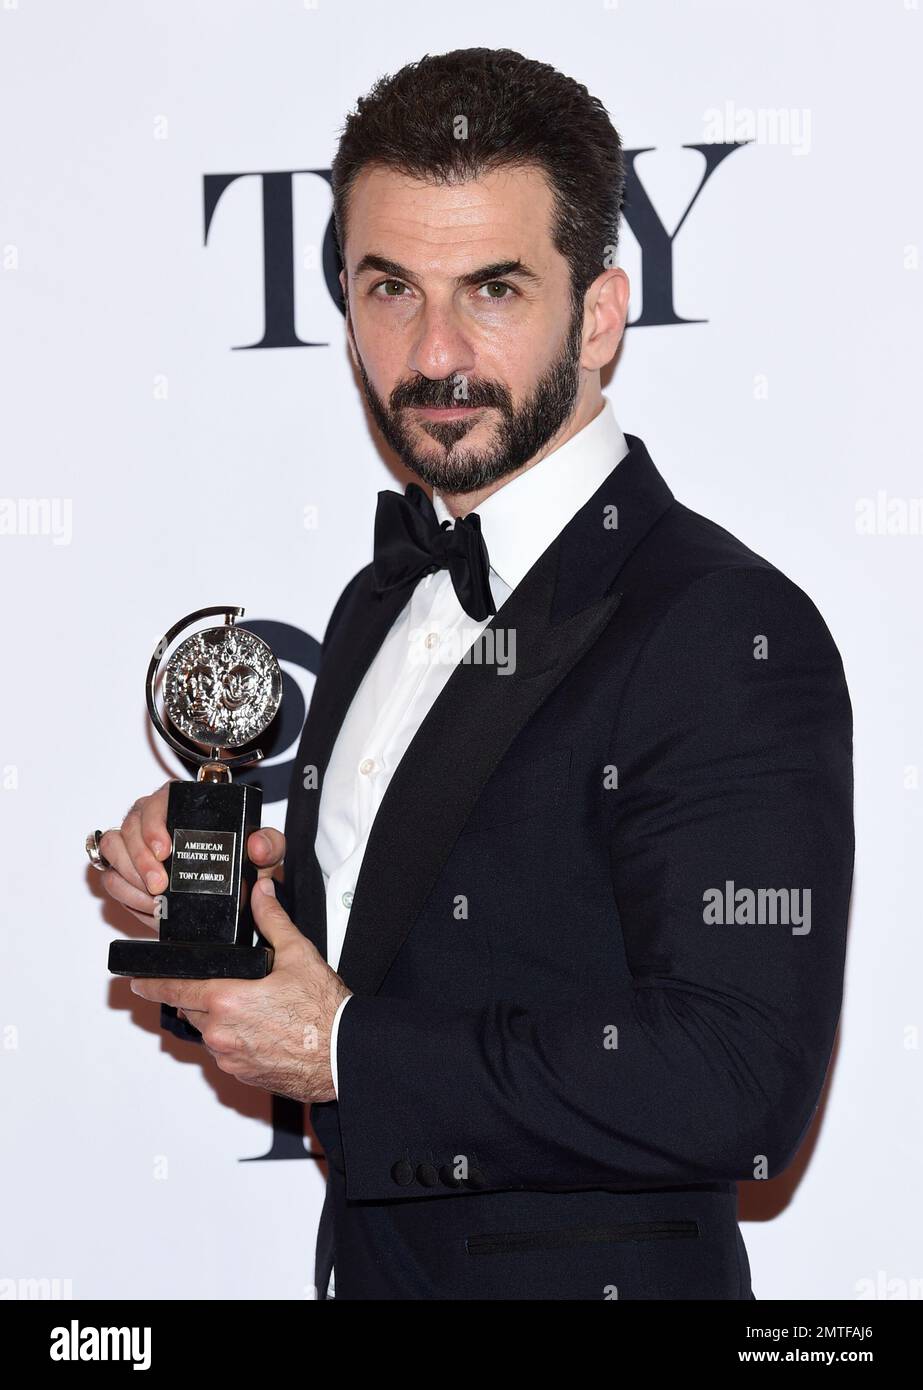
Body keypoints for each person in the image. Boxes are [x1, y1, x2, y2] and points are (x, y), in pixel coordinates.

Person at [94, 48, 854, 1300]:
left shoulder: (717, 626)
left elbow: (738, 1079)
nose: (433, 351)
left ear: (599, 313)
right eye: (390, 288)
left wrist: (342, 1048)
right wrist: (218, 900)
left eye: (491, 289)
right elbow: (374, 982)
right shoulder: (378, 598)